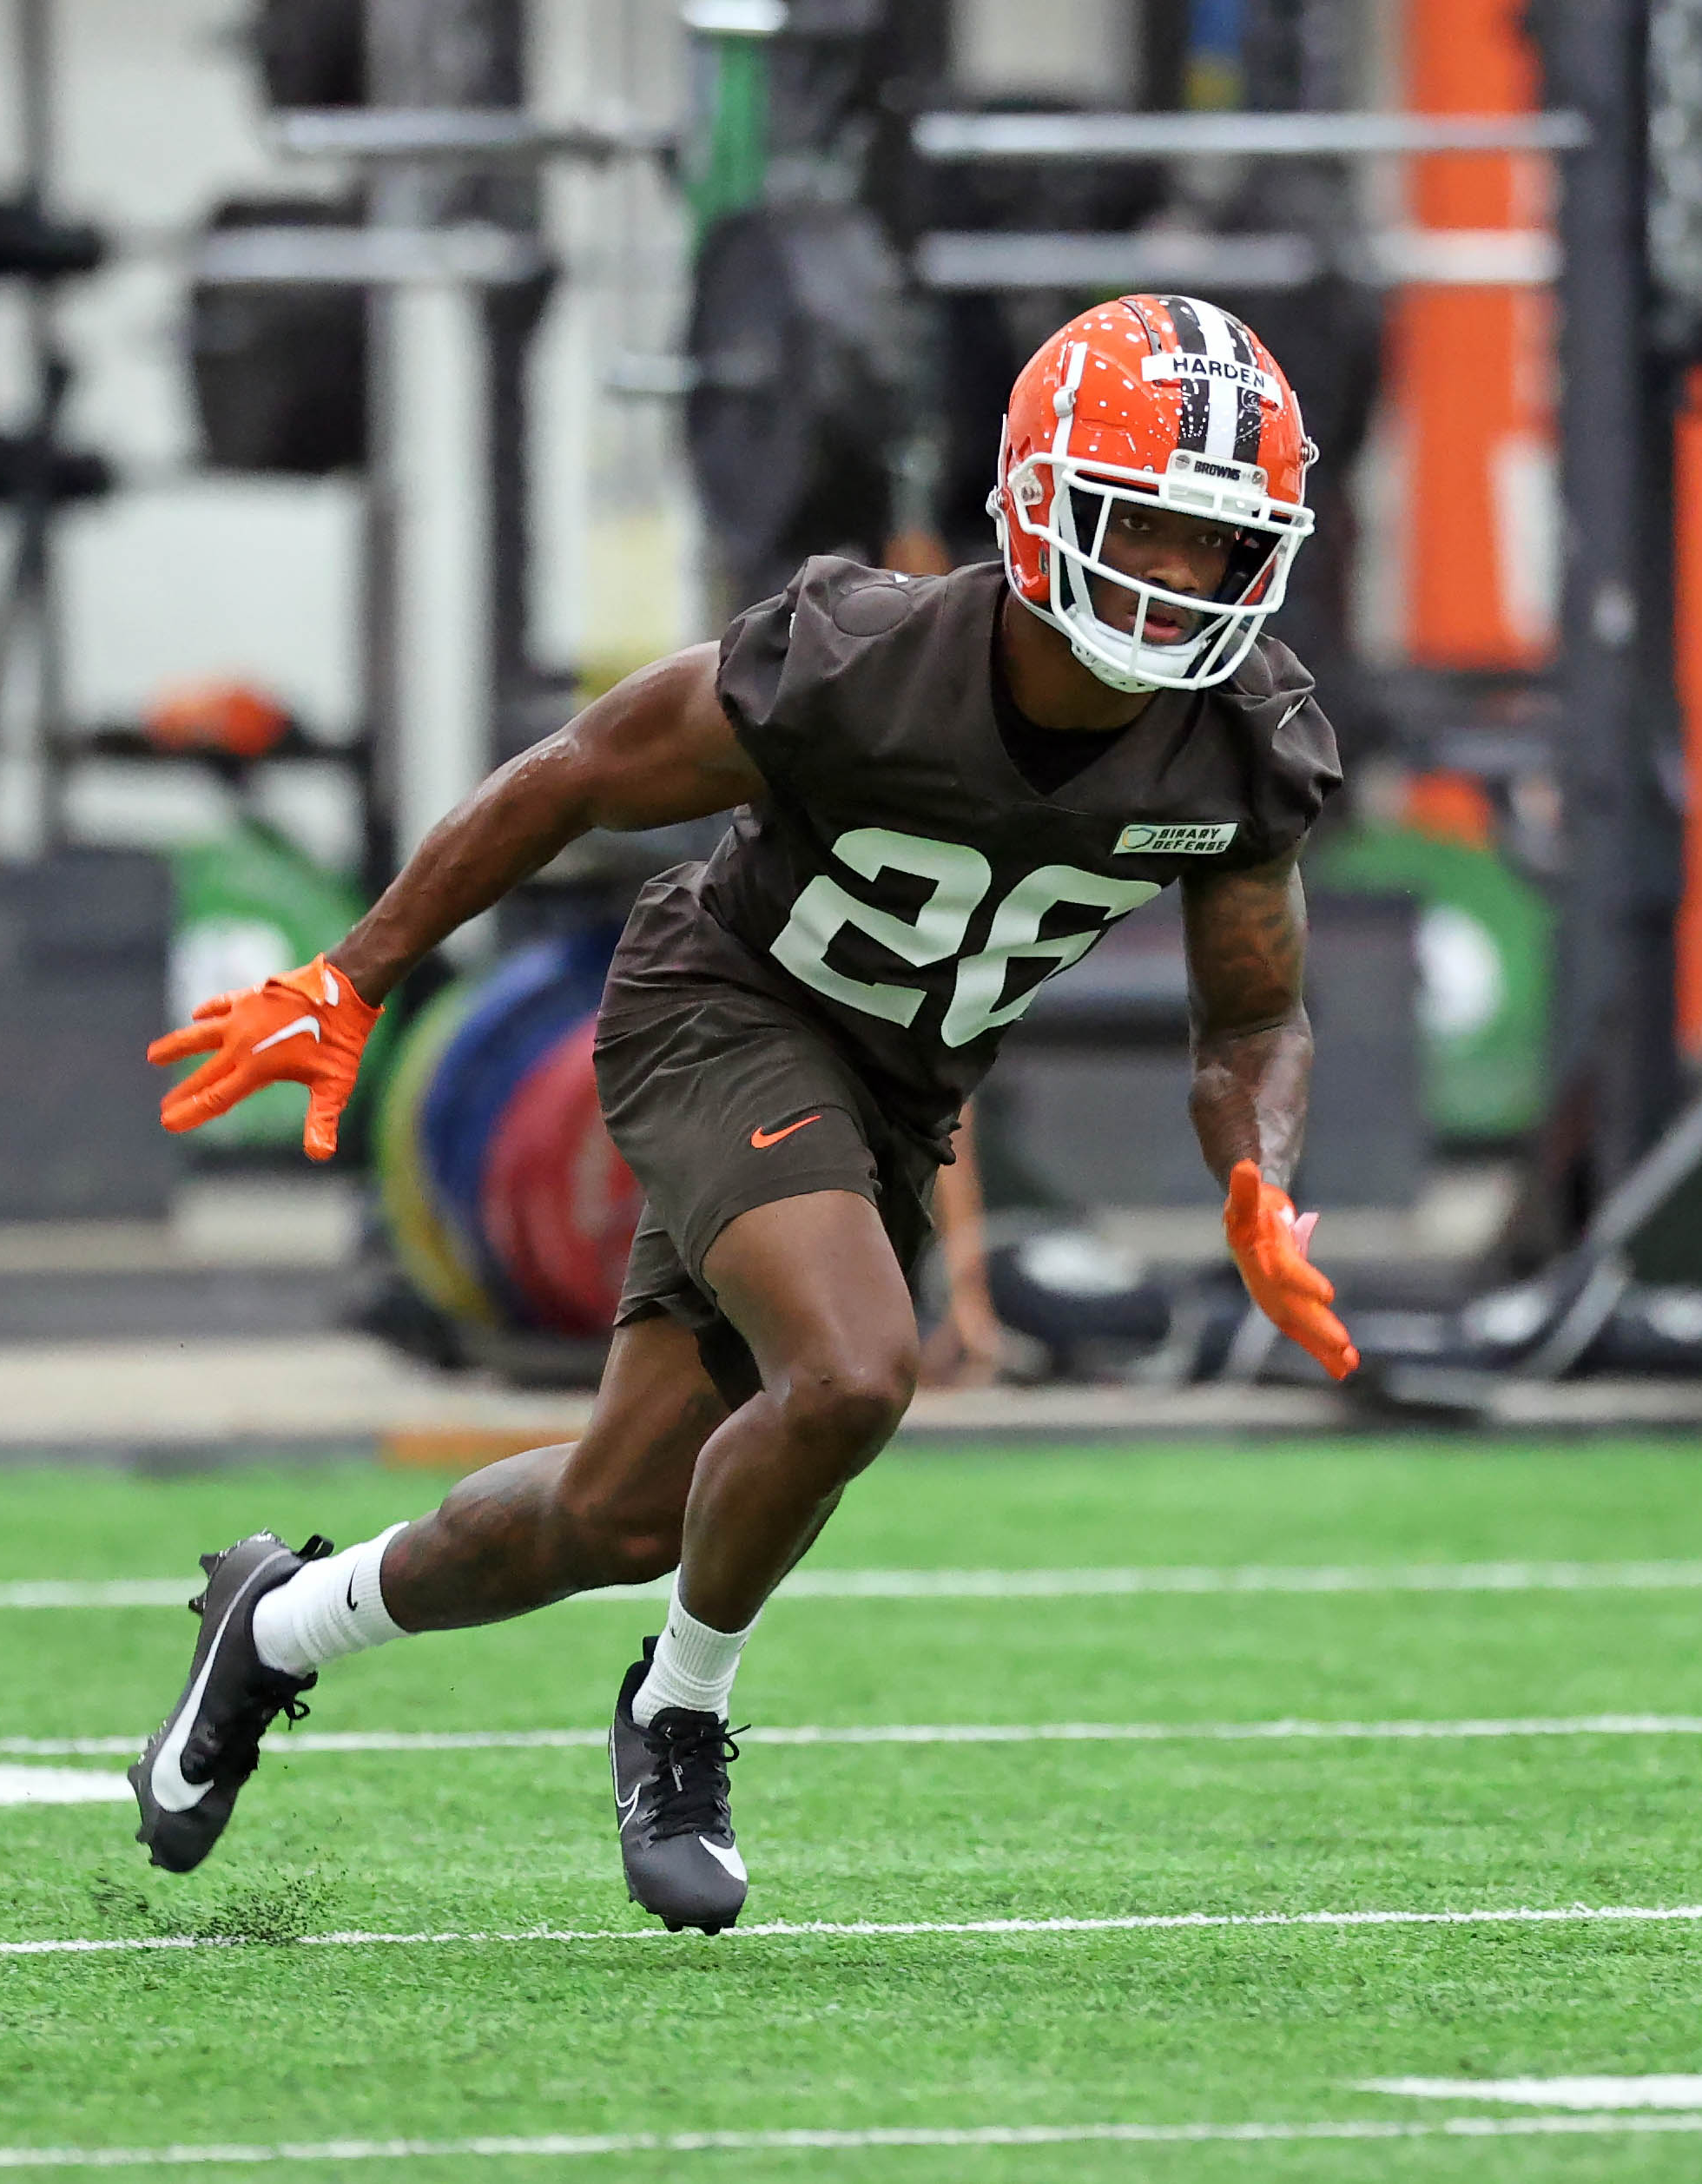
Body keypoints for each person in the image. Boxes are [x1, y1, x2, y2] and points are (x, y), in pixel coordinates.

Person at [127, 295, 1359, 1935]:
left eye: (1222, 543)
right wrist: (353, 976)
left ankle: (275, 1627)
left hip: (895, 1094)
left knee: (621, 1511)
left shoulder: (1241, 743)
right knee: (854, 1368)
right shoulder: (861, 658)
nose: (1186, 578)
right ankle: (681, 1712)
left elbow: (1255, 1014)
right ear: (1041, 502)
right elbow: (573, 771)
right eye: (1152, 527)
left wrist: (1258, 1183)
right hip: (723, 1009)